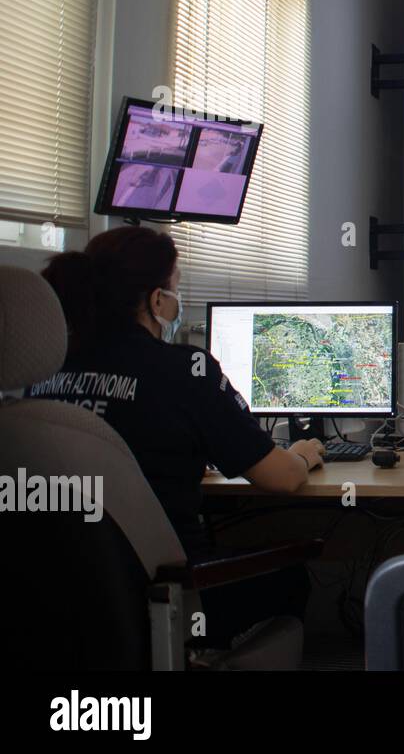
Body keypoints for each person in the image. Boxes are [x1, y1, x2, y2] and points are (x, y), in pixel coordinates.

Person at [29, 226, 326, 649]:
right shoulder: (185, 371)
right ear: (156, 300)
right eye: (176, 287)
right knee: (290, 575)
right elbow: (282, 479)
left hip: (58, 600)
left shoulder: (40, 372)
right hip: (166, 594)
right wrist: (301, 454)